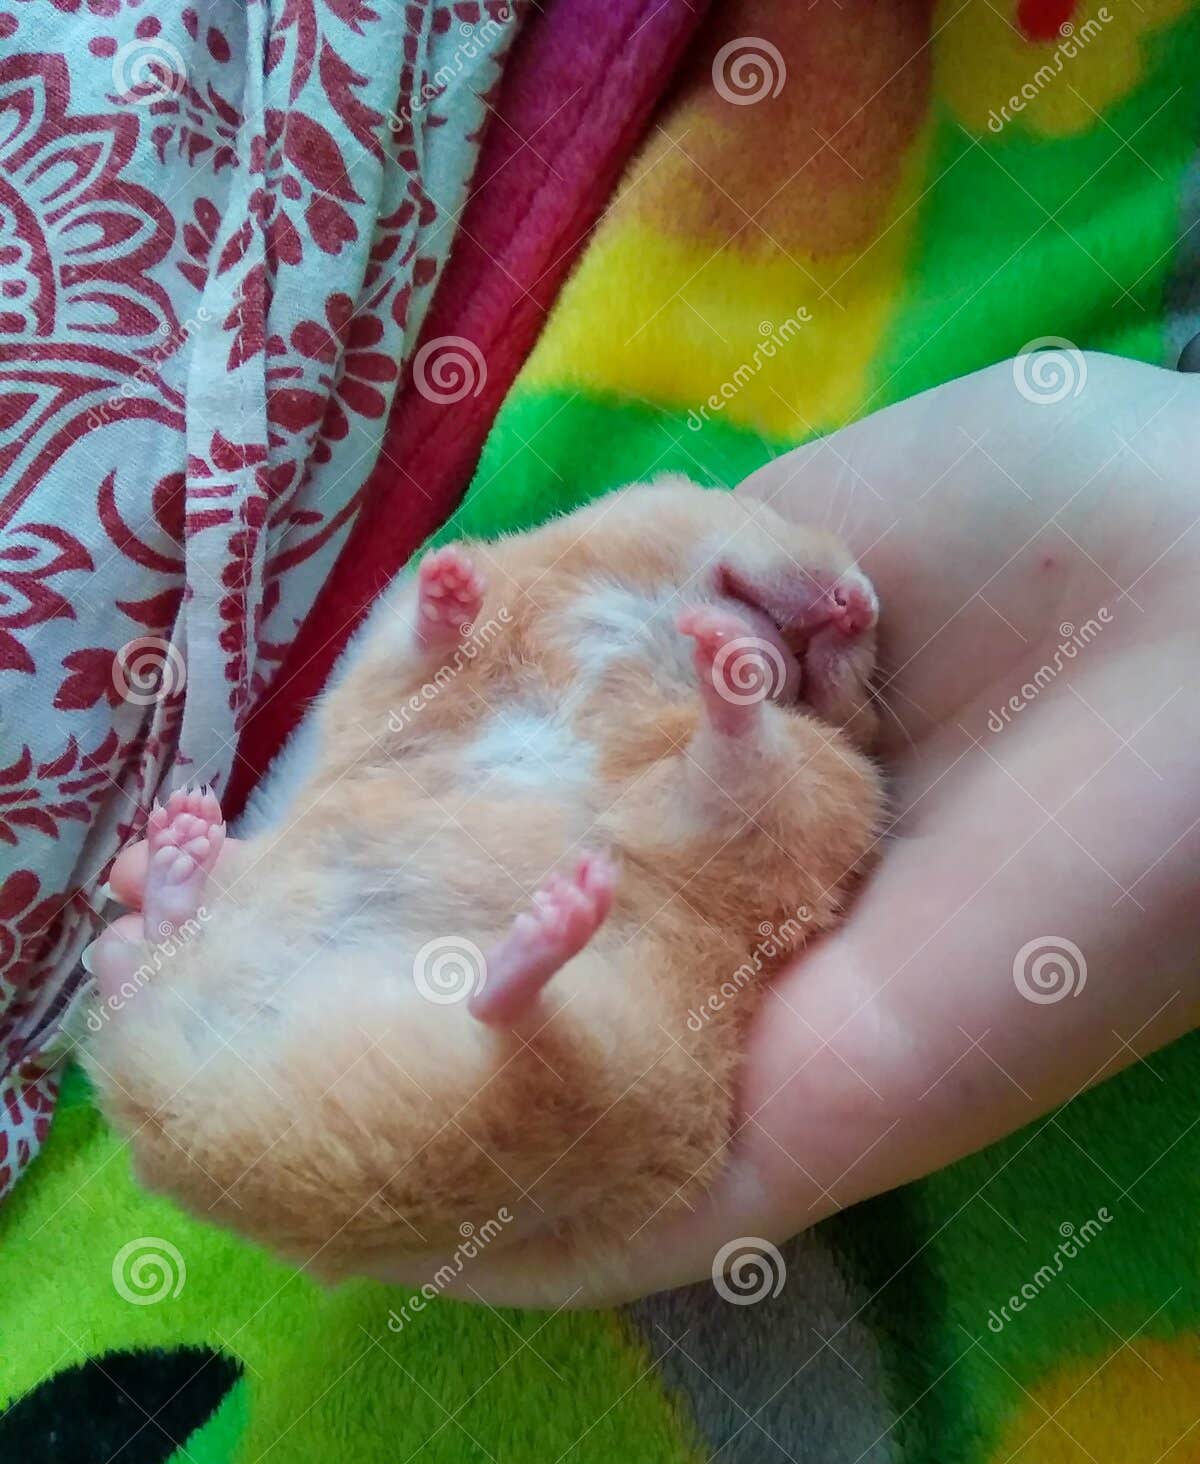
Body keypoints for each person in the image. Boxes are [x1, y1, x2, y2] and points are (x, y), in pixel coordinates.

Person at [104, 353, 1200, 1304]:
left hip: (490, 970)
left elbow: (748, 860)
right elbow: (373, 726)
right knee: (300, 884)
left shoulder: (817, 761)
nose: (850, 619)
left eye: (849, 678)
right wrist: (430, 636)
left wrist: (738, 732)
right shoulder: (536, 584)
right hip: (336, 936)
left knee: (634, 1085)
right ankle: (242, 944)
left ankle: (514, 1008)